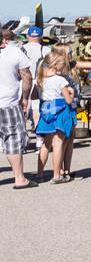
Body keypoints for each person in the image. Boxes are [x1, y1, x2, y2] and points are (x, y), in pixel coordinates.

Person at [0, 29, 36, 189]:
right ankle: (19, 178)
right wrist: (25, 98)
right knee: (12, 138)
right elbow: (27, 76)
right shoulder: (14, 52)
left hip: (8, 101)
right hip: (8, 102)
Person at [34, 52, 76, 183]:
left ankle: (39, 173)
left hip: (46, 112)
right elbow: (68, 100)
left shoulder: (39, 79)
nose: (64, 66)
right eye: (63, 63)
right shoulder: (60, 80)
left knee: (46, 144)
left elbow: (35, 96)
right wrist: (72, 93)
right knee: (58, 143)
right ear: (55, 65)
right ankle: (57, 175)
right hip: (60, 111)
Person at [21, 26, 48, 131]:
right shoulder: (46, 49)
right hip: (40, 82)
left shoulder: (20, 49)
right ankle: (39, 139)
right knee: (37, 109)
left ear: (27, 36)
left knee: (23, 109)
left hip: (23, 82)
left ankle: (22, 135)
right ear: (41, 36)